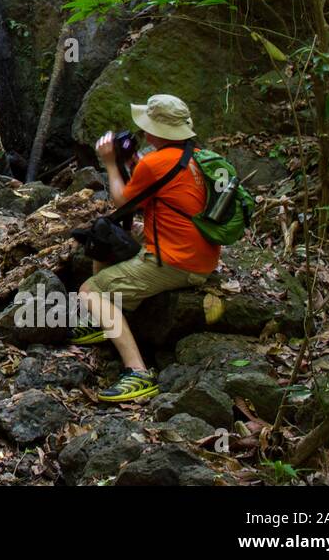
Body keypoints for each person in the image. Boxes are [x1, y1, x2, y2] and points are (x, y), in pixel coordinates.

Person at [73, 94, 221, 402]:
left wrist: (111, 164)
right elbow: (163, 191)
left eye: (147, 126)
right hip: (200, 252)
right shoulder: (194, 156)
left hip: (177, 261)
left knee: (90, 290)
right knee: (108, 241)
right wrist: (133, 163)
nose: (143, 132)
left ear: (159, 132)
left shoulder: (155, 163)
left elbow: (123, 203)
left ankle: (137, 372)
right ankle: (105, 322)